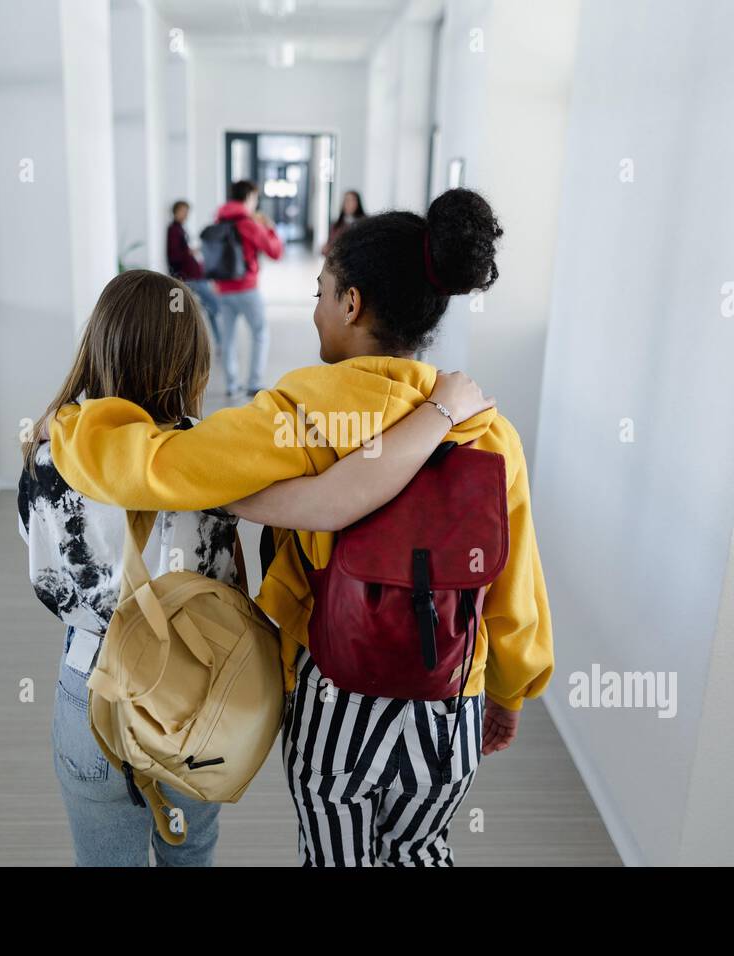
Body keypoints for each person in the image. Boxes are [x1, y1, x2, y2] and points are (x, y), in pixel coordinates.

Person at [47, 189, 554, 867]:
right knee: (423, 851)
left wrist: (73, 428)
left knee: (332, 856)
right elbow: (513, 586)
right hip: (449, 694)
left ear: (351, 305)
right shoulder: (487, 430)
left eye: (321, 291)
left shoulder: (304, 408)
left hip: (336, 693)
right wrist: (511, 691)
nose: (316, 305)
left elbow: (162, 464)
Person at [213, 180, 283, 398]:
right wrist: (269, 228)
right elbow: (274, 252)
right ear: (249, 197)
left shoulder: (219, 219)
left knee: (228, 337)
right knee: (260, 332)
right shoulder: (248, 222)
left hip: (223, 287)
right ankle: (254, 382)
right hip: (246, 287)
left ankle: (232, 385)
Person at [165, 200, 222, 348]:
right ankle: (184, 345)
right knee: (180, 312)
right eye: (183, 211)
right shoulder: (173, 230)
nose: (186, 215)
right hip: (186, 277)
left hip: (192, 276)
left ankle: (217, 342)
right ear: (176, 211)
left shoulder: (180, 229)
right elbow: (174, 256)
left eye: (187, 211)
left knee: (187, 310)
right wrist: (188, 253)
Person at [321, 189, 365, 254]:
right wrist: (326, 248)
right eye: (346, 200)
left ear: (358, 203)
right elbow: (329, 245)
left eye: (352, 200)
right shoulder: (336, 225)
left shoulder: (364, 223)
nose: (349, 204)